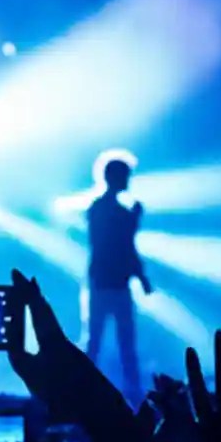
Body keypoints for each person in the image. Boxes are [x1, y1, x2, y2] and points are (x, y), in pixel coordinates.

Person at [85, 153, 152, 398]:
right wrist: (132, 222)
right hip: (106, 283)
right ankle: (88, 392)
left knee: (117, 342)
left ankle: (129, 394)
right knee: (102, 341)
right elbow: (117, 245)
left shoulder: (106, 210)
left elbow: (125, 246)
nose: (128, 180)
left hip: (111, 283)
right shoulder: (102, 210)